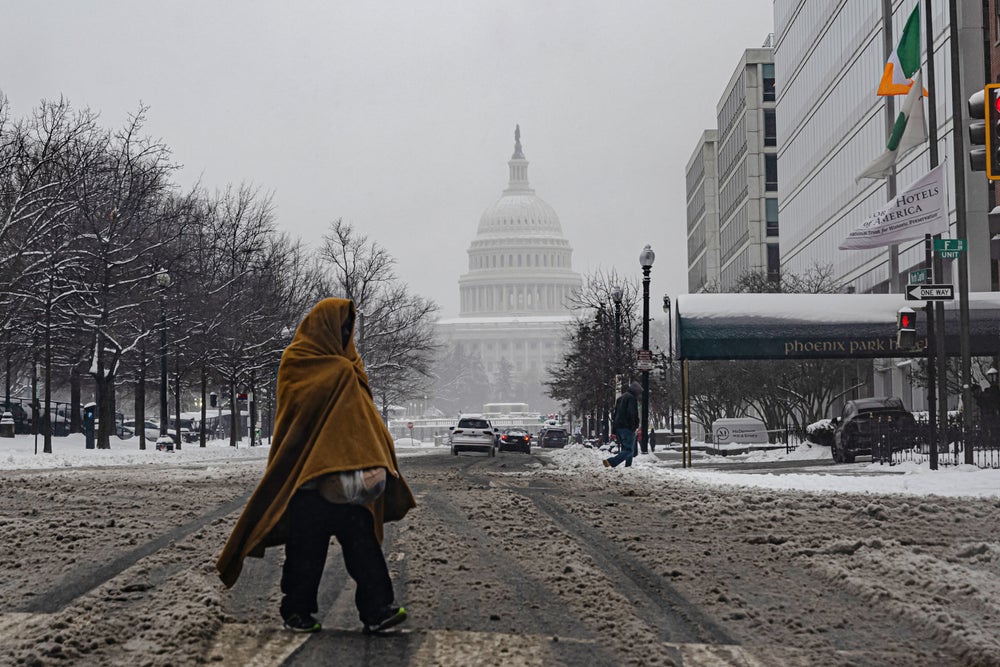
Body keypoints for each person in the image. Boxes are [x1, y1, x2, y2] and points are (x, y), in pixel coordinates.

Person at [216, 298, 416, 634]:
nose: (345, 335)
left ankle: (377, 610)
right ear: (323, 327)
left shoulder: (349, 364)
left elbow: (362, 417)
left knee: (364, 547)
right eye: (340, 328)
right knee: (305, 552)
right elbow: (297, 416)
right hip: (308, 479)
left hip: (348, 478)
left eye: (348, 330)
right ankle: (297, 612)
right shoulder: (300, 361)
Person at [603, 381, 641, 468]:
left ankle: (628, 466)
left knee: (627, 448)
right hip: (627, 427)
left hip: (619, 427)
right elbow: (632, 413)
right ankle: (610, 462)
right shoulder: (631, 398)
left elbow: (615, 414)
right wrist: (634, 425)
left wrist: (614, 429)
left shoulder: (621, 398)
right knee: (629, 450)